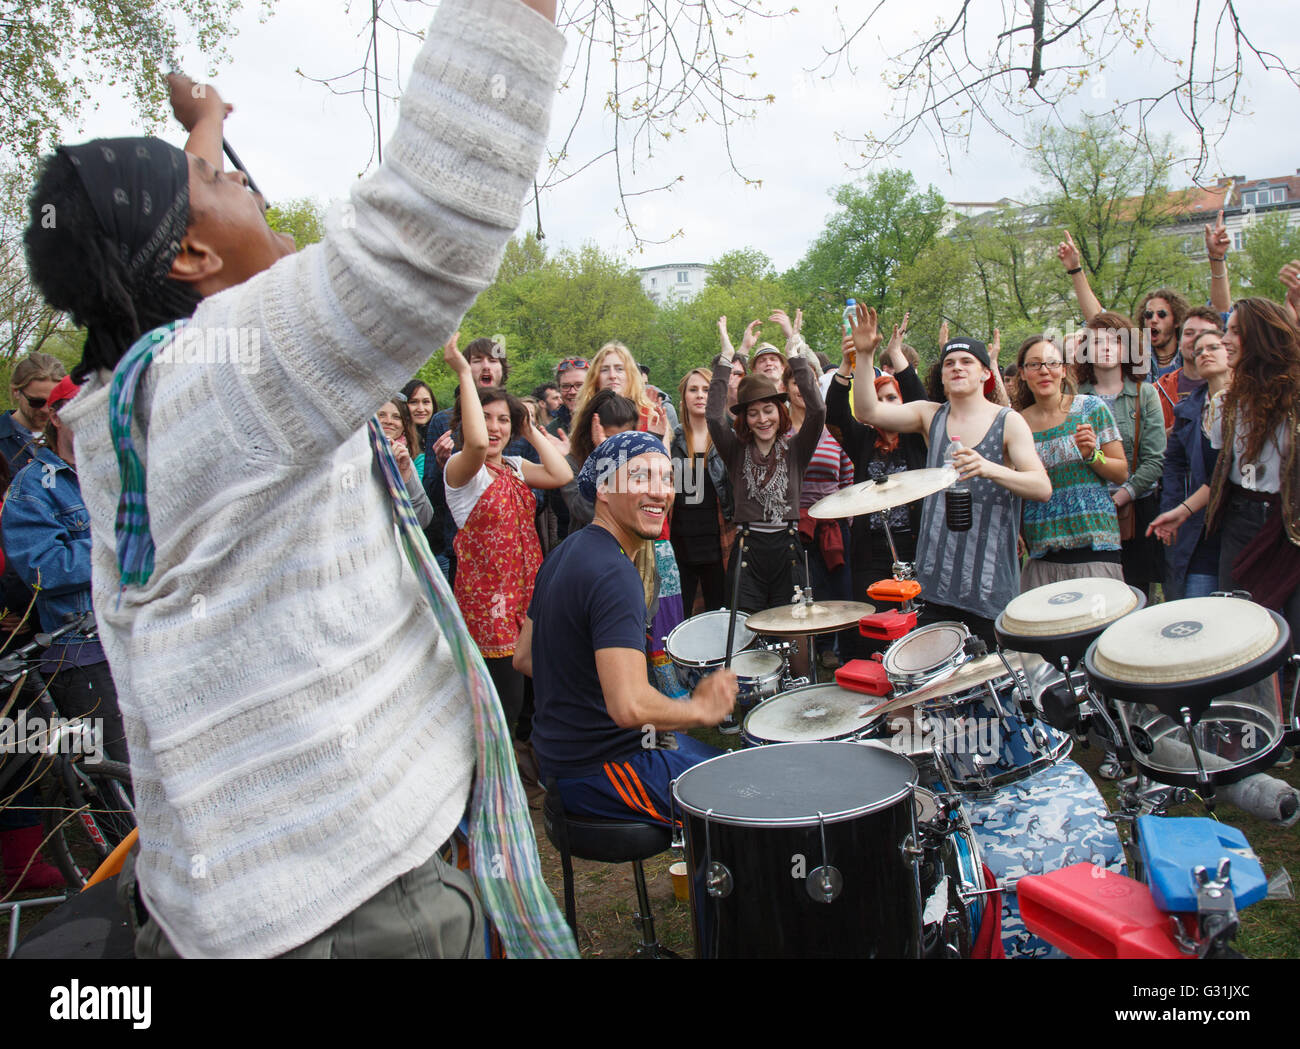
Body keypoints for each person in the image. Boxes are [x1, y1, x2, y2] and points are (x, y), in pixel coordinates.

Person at [22, 0, 572, 959]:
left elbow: (200, 247)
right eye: (224, 179)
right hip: (342, 917)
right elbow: (425, 235)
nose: (248, 185)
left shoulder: (140, 398)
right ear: (192, 256)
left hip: (265, 906)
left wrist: (205, 124)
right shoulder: (223, 380)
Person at [514, 431, 737, 822]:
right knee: (742, 797)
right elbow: (630, 705)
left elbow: (526, 657)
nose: (660, 491)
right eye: (640, 477)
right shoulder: (615, 573)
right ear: (603, 487)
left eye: (667, 478)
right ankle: (721, 879)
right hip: (600, 770)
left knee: (726, 767)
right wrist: (700, 708)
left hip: (564, 761)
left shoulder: (566, 551)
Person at [850, 305, 1051, 647]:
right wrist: (865, 356)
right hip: (935, 584)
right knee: (937, 689)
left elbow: (1042, 487)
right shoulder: (930, 417)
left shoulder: (1008, 421)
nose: (957, 367)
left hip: (989, 584)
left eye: (966, 361)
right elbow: (867, 411)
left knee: (990, 687)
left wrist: (989, 467)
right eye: (949, 363)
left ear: (986, 374)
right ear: (941, 377)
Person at [1150, 298, 1300, 646]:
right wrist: (1182, 512)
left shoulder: (1294, 396)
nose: (1227, 339)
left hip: (1288, 527)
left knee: (1290, 638)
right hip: (1240, 523)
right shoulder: (1225, 404)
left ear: (1260, 337)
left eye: (1234, 331)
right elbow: (1222, 475)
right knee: (1243, 632)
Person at [444, 336, 571, 734]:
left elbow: (561, 475)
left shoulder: (515, 466)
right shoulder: (463, 471)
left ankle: (528, 773)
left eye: (503, 419)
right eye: (486, 417)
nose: (494, 427)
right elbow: (478, 443)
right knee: (503, 704)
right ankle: (497, 782)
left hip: (527, 599)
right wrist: (465, 372)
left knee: (534, 699)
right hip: (488, 609)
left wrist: (530, 430)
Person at [708, 309, 825, 677]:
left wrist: (794, 349)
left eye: (769, 410)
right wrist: (727, 358)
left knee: (795, 630)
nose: (762, 419)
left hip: (788, 551)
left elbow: (818, 408)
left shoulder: (796, 448)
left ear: (781, 411)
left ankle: (801, 694)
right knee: (748, 630)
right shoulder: (734, 450)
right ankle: (752, 699)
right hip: (748, 552)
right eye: (754, 413)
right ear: (745, 419)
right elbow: (714, 417)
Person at [825, 325, 928, 658]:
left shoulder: (918, 439)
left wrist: (896, 354)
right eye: (878, 399)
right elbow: (836, 413)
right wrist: (847, 365)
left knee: (917, 626)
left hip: (915, 547)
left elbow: (920, 401)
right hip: (871, 552)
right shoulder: (863, 440)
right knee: (876, 629)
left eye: (891, 399)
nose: (885, 406)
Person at [1013, 336, 1128, 589]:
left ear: (1064, 370)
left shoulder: (1091, 409)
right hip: (1042, 554)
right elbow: (1013, 485)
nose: (1044, 371)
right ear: (1022, 373)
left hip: (1095, 547)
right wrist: (1016, 530)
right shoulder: (1015, 424)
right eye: (1034, 365)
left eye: (1052, 363)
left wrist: (1091, 455)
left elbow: (1121, 473)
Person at [1074, 311, 1167, 594]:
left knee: (1134, 597)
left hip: (1136, 509)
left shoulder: (1145, 394)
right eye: (1097, 341)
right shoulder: (1075, 397)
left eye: (1114, 341)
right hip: (1088, 511)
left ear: (1127, 349)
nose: (1105, 348)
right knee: (1093, 596)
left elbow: (1155, 459)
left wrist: (1123, 494)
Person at [1156, 329, 1229, 601]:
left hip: (1245, 528)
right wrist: (1173, 512)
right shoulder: (1186, 411)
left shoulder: (1253, 404)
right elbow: (1172, 469)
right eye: (1198, 351)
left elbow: (1228, 475)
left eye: (1213, 347)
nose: (1204, 354)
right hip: (1199, 533)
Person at [670, 368, 734, 615]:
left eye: (707, 390)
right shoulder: (671, 440)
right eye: (693, 389)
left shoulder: (728, 440)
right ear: (684, 396)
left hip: (718, 546)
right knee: (681, 618)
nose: (700, 395)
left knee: (720, 617)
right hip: (680, 547)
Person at [1154, 305, 1220, 433]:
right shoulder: (1156, 392)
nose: (1196, 339)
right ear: (1179, 343)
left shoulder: (1236, 390)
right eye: (1189, 333)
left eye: (1205, 334)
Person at [0, 353, 65, 476]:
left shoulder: (72, 438)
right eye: (36, 402)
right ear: (16, 392)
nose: (46, 410)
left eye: (54, 402)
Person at [377, 395, 434, 527]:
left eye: (396, 417)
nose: (388, 421)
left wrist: (405, 474)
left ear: (404, 425)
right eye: (381, 415)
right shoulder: (359, 455)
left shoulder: (405, 459)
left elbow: (423, 518)